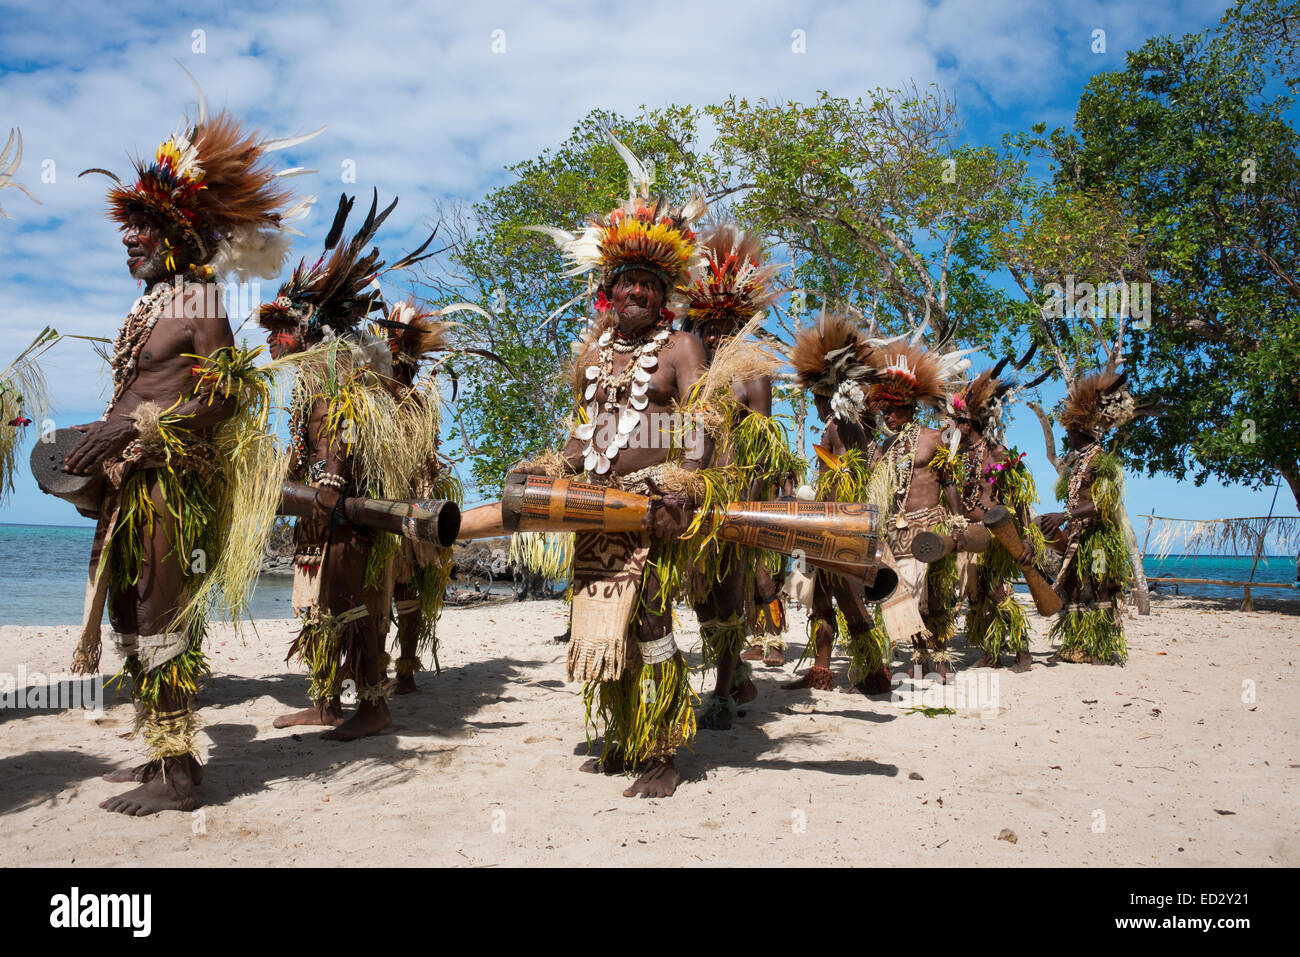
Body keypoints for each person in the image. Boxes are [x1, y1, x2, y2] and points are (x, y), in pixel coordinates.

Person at [67, 97, 316, 814]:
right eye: (129, 230)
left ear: (180, 235)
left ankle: (181, 774)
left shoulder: (201, 304)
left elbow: (223, 400)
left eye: (141, 229)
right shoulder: (153, 304)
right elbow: (145, 387)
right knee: (124, 614)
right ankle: (157, 749)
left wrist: (136, 429)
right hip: (127, 485)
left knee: (159, 614)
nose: (129, 242)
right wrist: (102, 437)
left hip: (172, 483)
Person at [519, 130, 711, 797]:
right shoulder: (596, 352)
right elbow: (583, 434)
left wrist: (681, 491)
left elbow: (703, 430)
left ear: (662, 295)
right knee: (604, 626)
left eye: (646, 283)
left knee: (653, 623)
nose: (633, 290)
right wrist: (548, 469)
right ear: (610, 288)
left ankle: (662, 753)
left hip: (651, 503)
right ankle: (626, 737)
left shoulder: (683, 347)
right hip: (596, 504)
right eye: (624, 280)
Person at [258, 192, 436, 738]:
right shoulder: (317, 368)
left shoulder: (336, 366)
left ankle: (375, 705)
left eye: (280, 327)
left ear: (307, 323)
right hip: (319, 506)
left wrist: (331, 476)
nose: (271, 340)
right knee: (319, 602)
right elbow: (313, 431)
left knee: (348, 600)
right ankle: (326, 701)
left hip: (346, 504)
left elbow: (344, 423)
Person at [678, 224, 799, 730]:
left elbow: (761, 444)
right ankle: (739, 677)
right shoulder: (689, 373)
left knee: (728, 596)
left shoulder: (753, 374)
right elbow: (681, 438)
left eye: (728, 324)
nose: (718, 334)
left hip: (734, 500)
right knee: (701, 597)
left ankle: (723, 696)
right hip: (693, 497)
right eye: (709, 325)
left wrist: (749, 507)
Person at [780, 313, 892, 694]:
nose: (813, 407)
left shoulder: (838, 427)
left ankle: (875, 674)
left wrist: (819, 512)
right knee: (822, 599)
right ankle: (821, 672)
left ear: (824, 396)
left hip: (837, 524)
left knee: (844, 598)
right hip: (833, 522)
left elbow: (845, 478)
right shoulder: (855, 427)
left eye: (815, 399)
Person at [864, 339, 969, 683]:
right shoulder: (884, 447)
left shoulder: (932, 438)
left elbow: (949, 480)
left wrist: (956, 521)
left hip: (930, 527)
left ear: (908, 408)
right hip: (896, 531)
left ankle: (937, 659)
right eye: (883, 412)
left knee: (934, 596)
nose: (886, 417)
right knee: (901, 597)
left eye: (891, 411)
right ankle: (919, 656)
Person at [381, 301, 461, 694]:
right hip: (388, 506)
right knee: (385, 587)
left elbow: (422, 460)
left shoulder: (413, 404)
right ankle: (382, 670)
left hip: (408, 507)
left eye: (400, 364)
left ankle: (404, 672)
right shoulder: (377, 401)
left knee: (403, 586)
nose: (398, 370)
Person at [948, 356, 1048, 670]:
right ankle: (992, 653)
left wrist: (1027, 538)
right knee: (977, 596)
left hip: (996, 534)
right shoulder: (962, 455)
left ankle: (1023, 652)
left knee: (997, 593)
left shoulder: (997, 452)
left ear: (970, 422)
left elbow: (1018, 500)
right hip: (971, 533)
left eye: (959, 421)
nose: (955, 427)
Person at [1039, 370, 1137, 664]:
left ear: (1082, 431)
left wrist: (1064, 514)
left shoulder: (1103, 462)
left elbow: (1103, 505)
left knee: (1100, 587)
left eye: (1070, 430)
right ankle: (1077, 645)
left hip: (1097, 540)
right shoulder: (1078, 462)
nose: (1067, 435)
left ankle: (1105, 649)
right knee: (1072, 589)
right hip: (1077, 537)